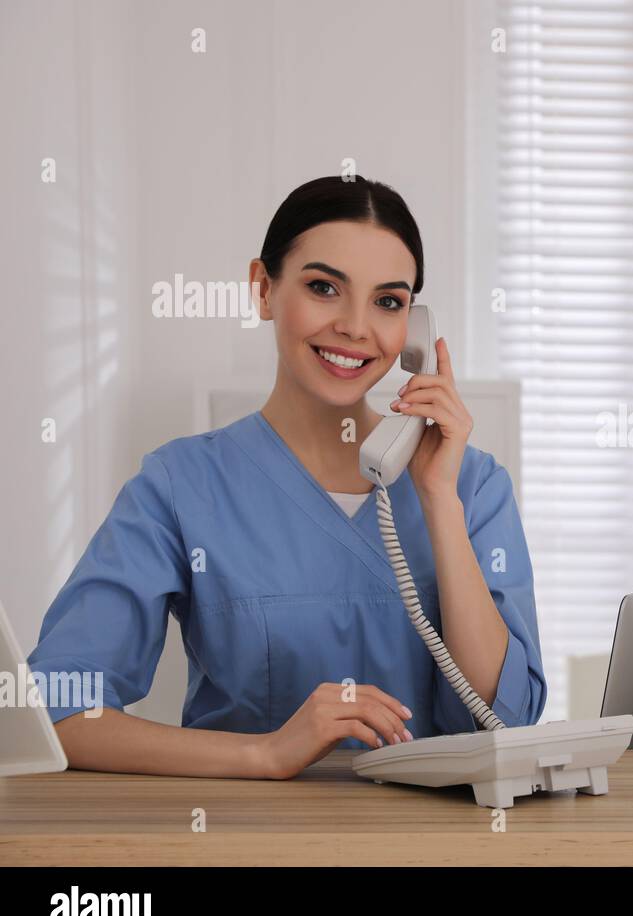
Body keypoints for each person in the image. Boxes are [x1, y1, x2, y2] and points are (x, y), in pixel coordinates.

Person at [27, 175, 546, 778]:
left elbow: (507, 718)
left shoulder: (472, 487)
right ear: (263, 289)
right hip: (245, 844)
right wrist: (264, 752)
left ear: (415, 328)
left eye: (388, 301)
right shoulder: (180, 484)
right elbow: (53, 711)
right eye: (324, 287)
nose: (355, 326)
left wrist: (438, 500)